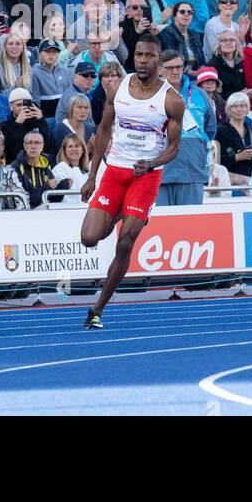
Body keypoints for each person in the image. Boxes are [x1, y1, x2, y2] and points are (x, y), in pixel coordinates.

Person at [78, 34, 185, 330]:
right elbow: (103, 130)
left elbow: (174, 148)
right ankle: (119, 213)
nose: (143, 60)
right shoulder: (117, 87)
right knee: (89, 238)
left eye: (149, 56)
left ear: (159, 61)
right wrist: (92, 176)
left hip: (145, 177)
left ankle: (97, 308)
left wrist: (151, 163)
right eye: (139, 55)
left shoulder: (171, 99)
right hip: (115, 172)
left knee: (125, 243)